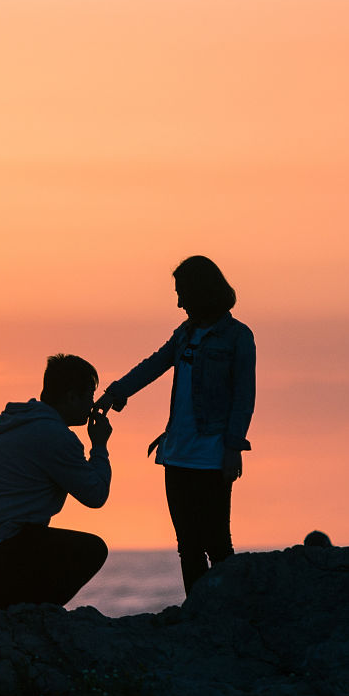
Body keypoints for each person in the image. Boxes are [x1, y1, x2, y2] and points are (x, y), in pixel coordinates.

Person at [93, 255, 255, 595]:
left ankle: (230, 610)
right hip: (177, 451)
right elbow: (153, 365)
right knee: (188, 545)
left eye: (182, 293)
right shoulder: (185, 334)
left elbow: (243, 397)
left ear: (201, 292)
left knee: (217, 541)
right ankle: (196, 612)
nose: (179, 302)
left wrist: (233, 448)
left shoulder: (237, 337)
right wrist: (114, 393)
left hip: (212, 453)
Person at [0, 354, 113, 608]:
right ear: (71, 397)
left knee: (35, 538)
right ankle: (28, 614)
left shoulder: (15, 421)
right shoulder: (55, 435)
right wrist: (99, 446)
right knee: (91, 551)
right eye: (89, 396)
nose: (92, 404)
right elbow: (95, 495)